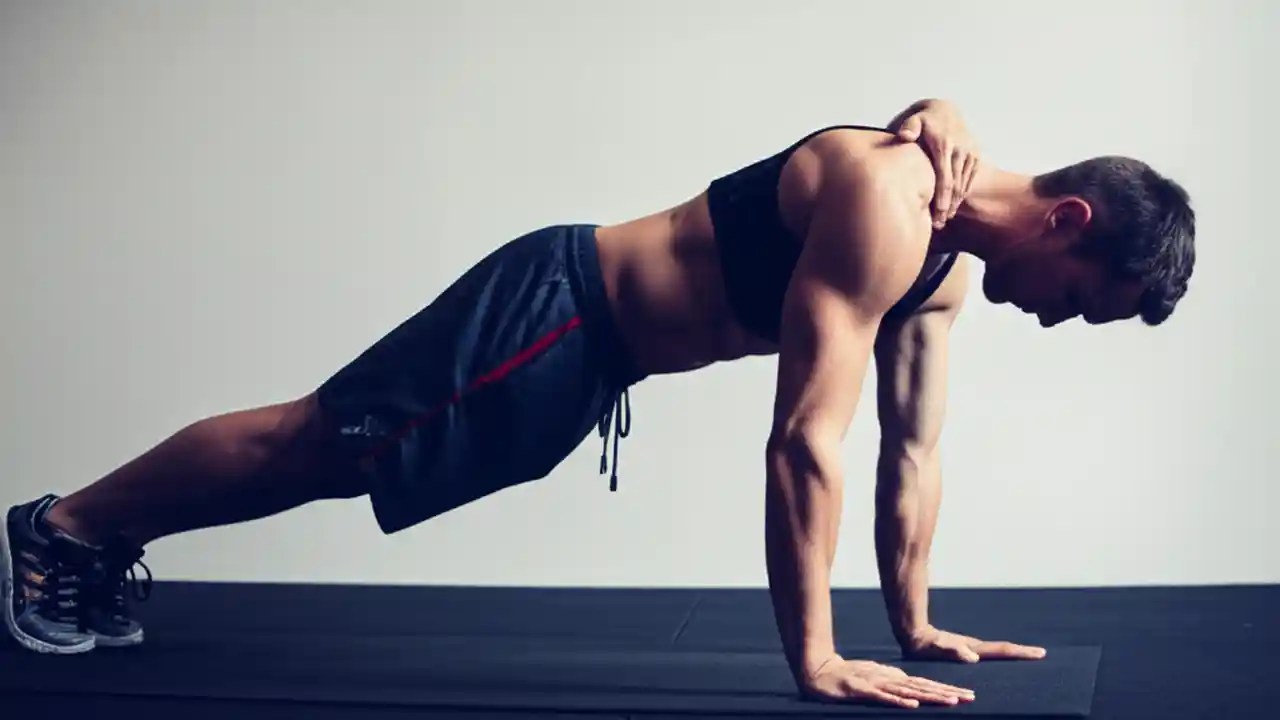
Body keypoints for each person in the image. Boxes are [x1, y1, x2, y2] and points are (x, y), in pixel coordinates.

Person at [2, 98, 1194, 710]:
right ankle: (63, 530)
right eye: (1081, 302)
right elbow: (802, 445)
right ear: (1069, 224)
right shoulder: (890, 198)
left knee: (331, 455)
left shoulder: (942, 284)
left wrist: (917, 624)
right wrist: (816, 659)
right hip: (557, 307)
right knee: (325, 441)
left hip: (591, 358)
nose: (1056, 319)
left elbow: (909, 457)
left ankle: (95, 540)